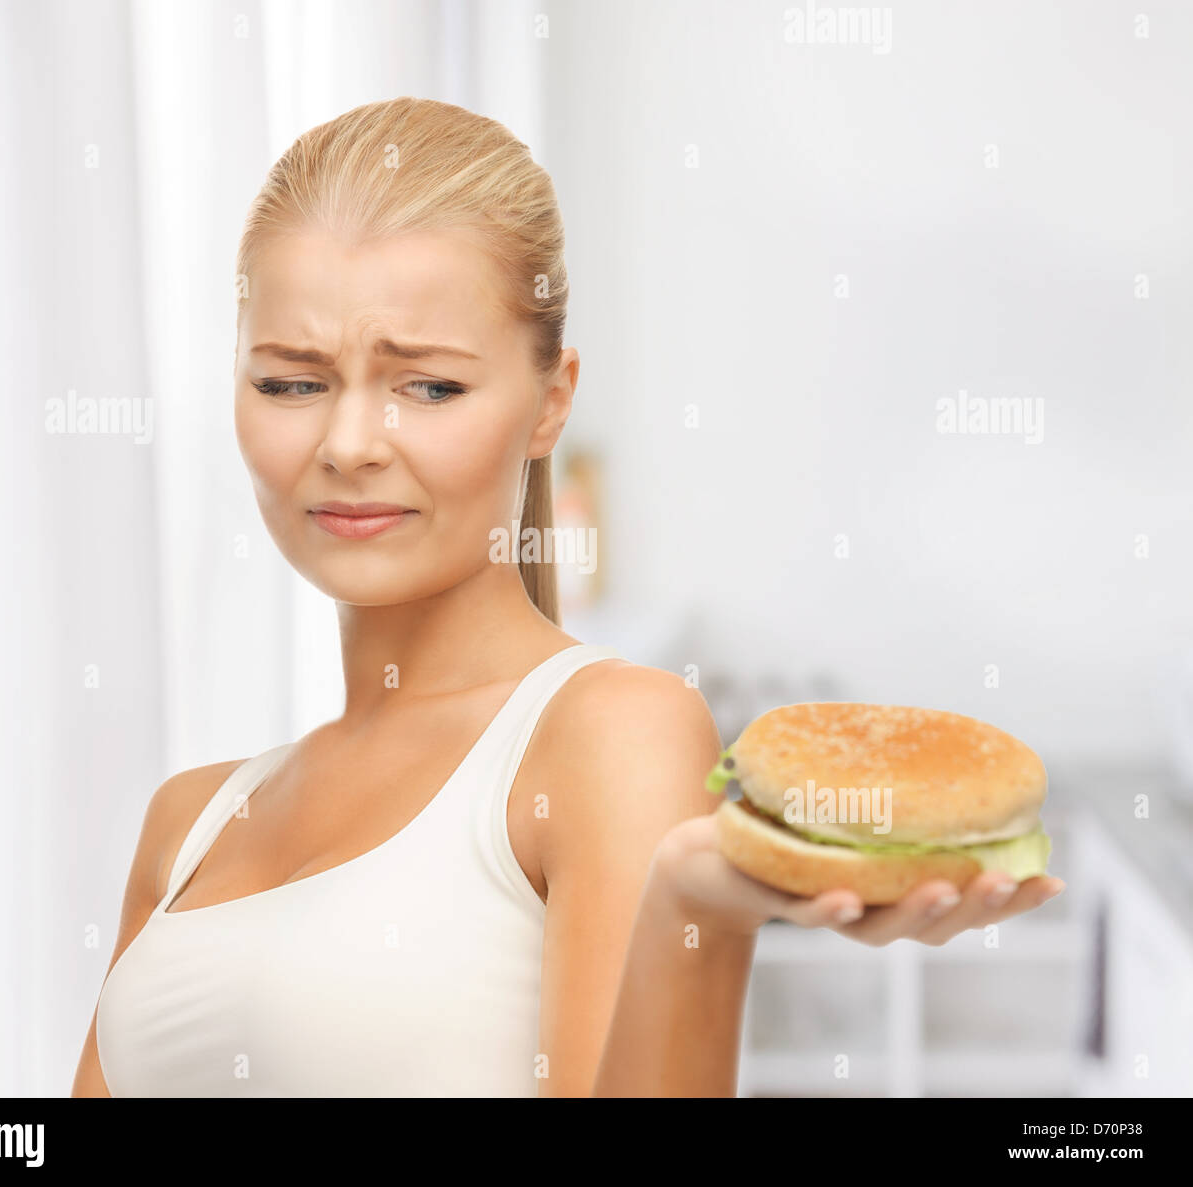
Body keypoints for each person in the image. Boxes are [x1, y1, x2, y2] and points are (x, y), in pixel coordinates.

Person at [71, 97, 1064, 1098]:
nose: (348, 443)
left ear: (551, 402)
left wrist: (699, 916)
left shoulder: (607, 733)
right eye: (292, 384)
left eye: (427, 386)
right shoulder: (187, 823)